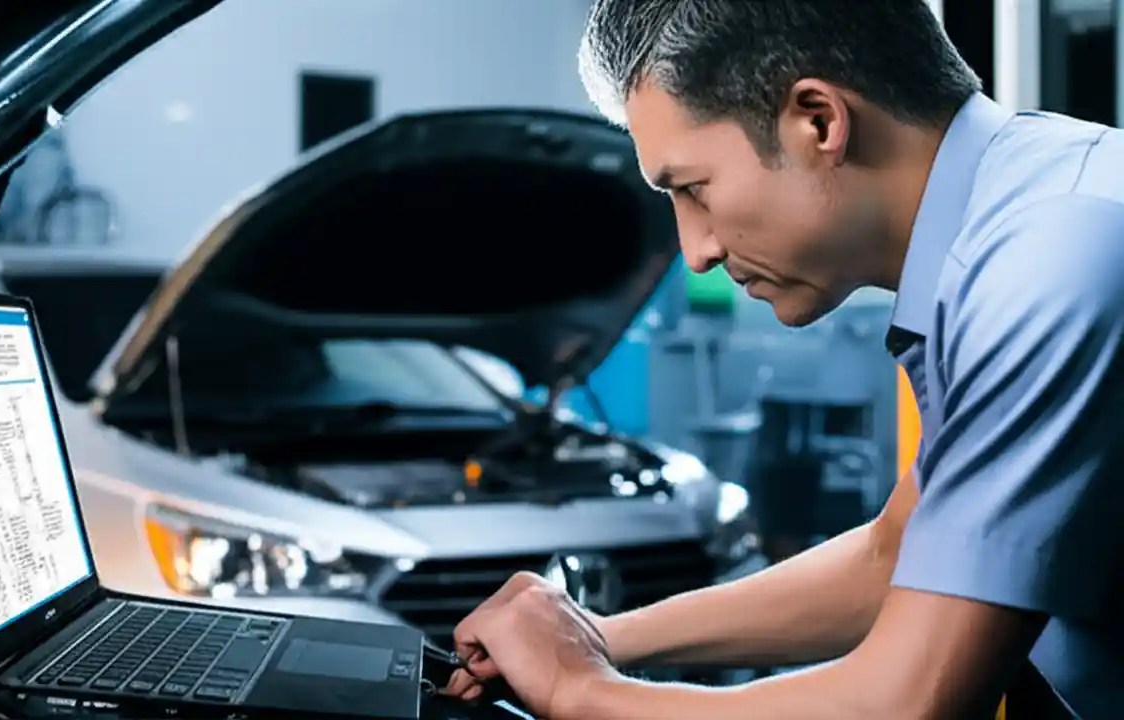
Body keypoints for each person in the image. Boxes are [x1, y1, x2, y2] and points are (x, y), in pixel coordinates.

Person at [440, 1, 1124, 718]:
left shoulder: (1050, 264)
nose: (696, 250)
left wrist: (579, 692)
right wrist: (600, 637)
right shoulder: (1017, 210)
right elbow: (897, 558)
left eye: (692, 189)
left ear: (818, 120)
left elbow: (906, 703)